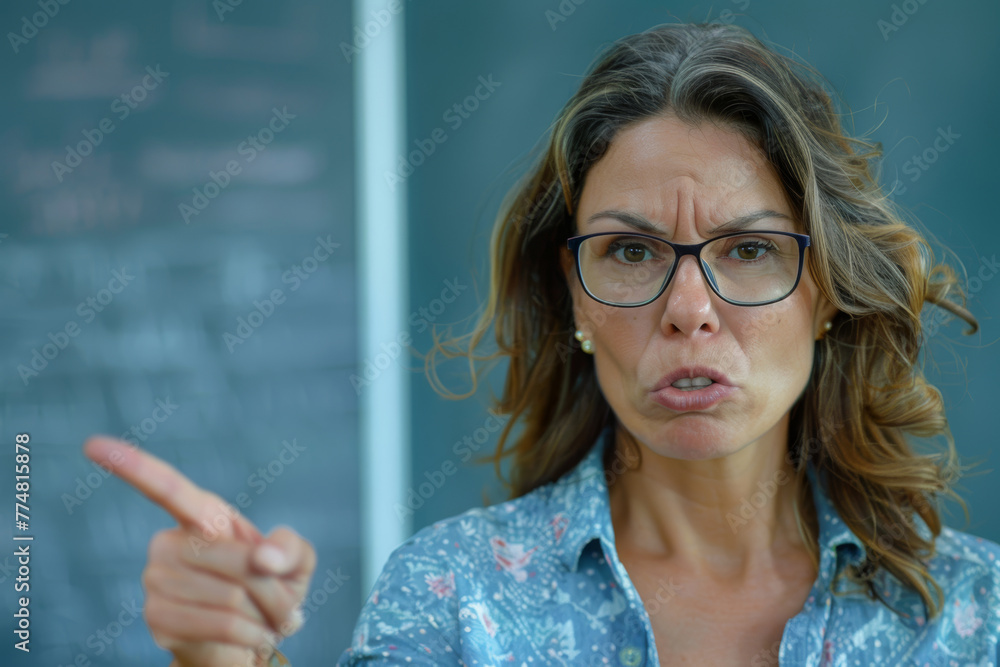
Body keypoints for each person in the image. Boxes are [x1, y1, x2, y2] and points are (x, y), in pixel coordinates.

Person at [83, 21, 999, 667]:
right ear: (574, 298)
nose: (689, 309)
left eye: (750, 250)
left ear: (826, 291)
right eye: (631, 252)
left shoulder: (972, 614)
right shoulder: (454, 596)